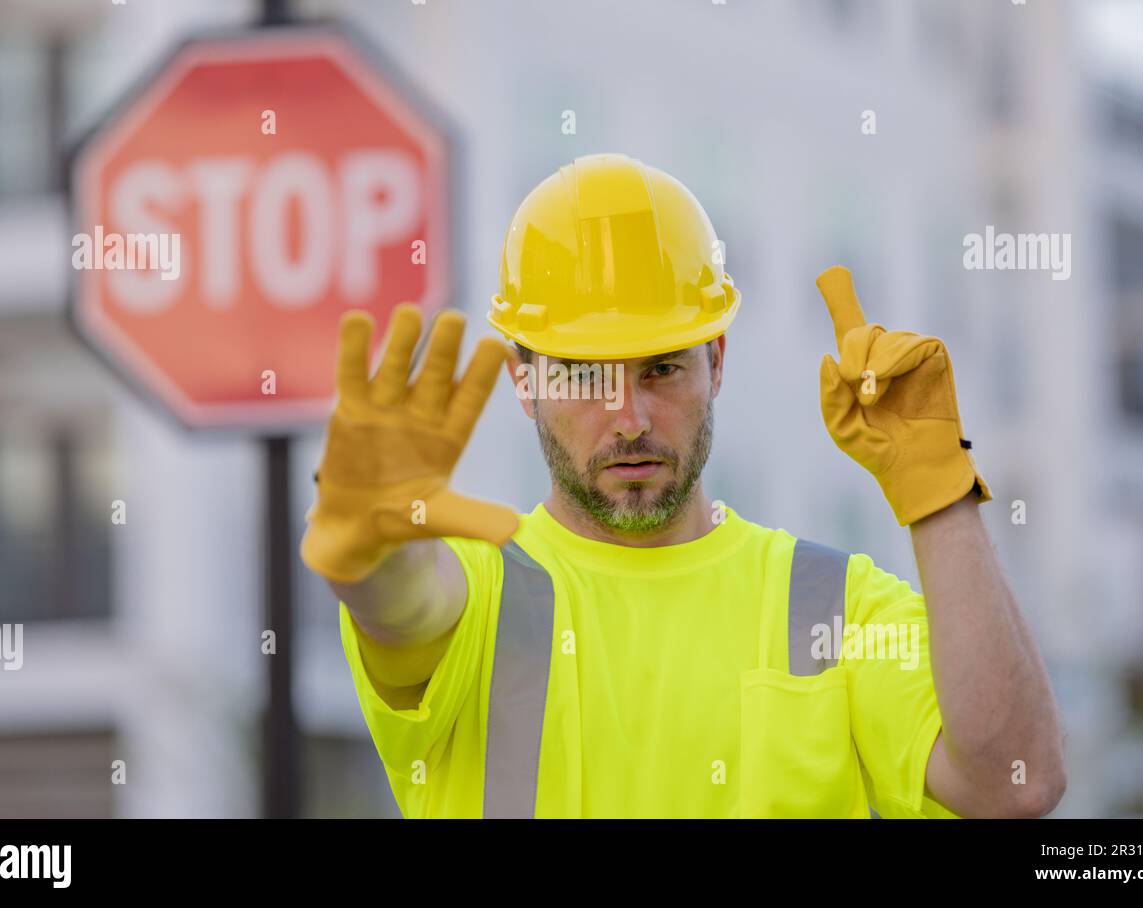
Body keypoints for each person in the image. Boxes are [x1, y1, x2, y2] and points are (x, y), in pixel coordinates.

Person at [300, 153, 1066, 819]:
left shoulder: (830, 606)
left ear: (718, 363)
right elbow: (408, 607)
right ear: (523, 380)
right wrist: (368, 559)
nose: (628, 417)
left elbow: (1012, 787)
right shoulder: (481, 592)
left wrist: (939, 492)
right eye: (586, 374)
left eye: (662, 368)